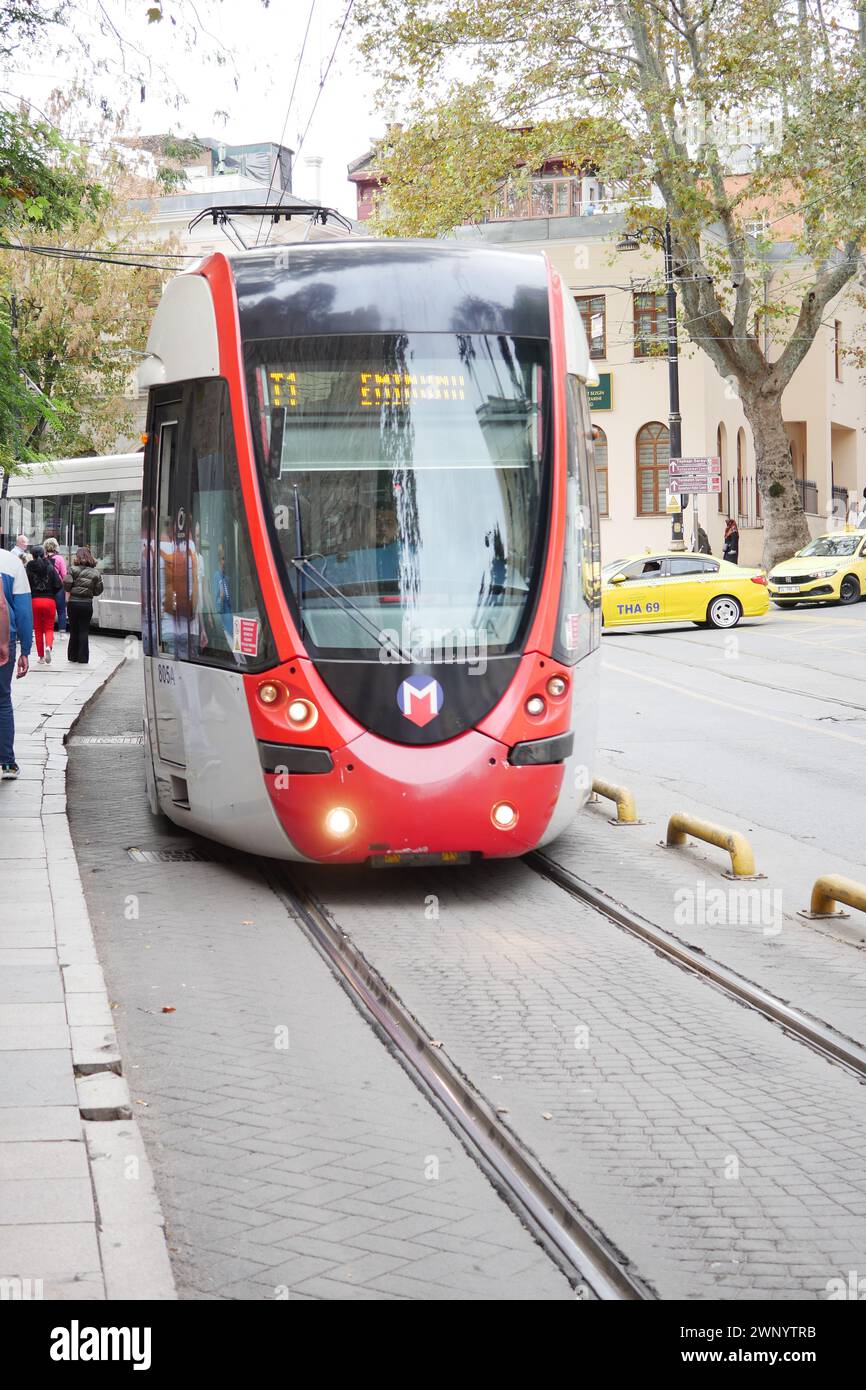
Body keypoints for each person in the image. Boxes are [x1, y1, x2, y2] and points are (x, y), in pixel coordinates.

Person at [0, 545, 33, 779]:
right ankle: (7, 763)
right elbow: (23, 610)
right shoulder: (11, 562)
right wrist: (25, 649)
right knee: (2, 699)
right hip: (4, 638)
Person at [64, 546, 103, 664]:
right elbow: (98, 591)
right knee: (84, 630)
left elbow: (67, 585)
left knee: (74, 629)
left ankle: (72, 656)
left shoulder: (72, 569)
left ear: (77, 557)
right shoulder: (96, 573)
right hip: (86, 604)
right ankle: (83, 658)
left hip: (73, 604)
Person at [26, 545, 62, 665]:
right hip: (49, 601)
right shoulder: (50, 567)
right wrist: (51, 593)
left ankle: (41, 657)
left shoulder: (29, 568)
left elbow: (25, 585)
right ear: (44, 554)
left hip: (35, 601)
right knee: (49, 627)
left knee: (38, 629)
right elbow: (58, 584)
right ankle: (49, 646)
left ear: (33, 555)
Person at [43, 538, 68, 634]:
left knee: (48, 611)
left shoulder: (43, 558)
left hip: (46, 588)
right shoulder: (59, 558)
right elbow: (64, 575)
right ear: (56, 547)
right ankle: (62, 632)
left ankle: (47, 630)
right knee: (61, 610)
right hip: (58, 588)